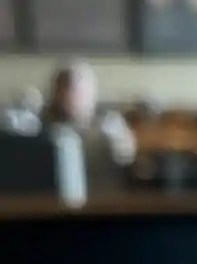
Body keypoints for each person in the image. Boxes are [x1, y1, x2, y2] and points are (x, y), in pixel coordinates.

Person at [42, 60, 135, 192]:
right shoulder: (43, 125)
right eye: (64, 87)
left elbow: (125, 156)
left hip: (102, 200)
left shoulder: (110, 123)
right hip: (52, 199)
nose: (70, 95)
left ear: (92, 91)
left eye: (77, 88)